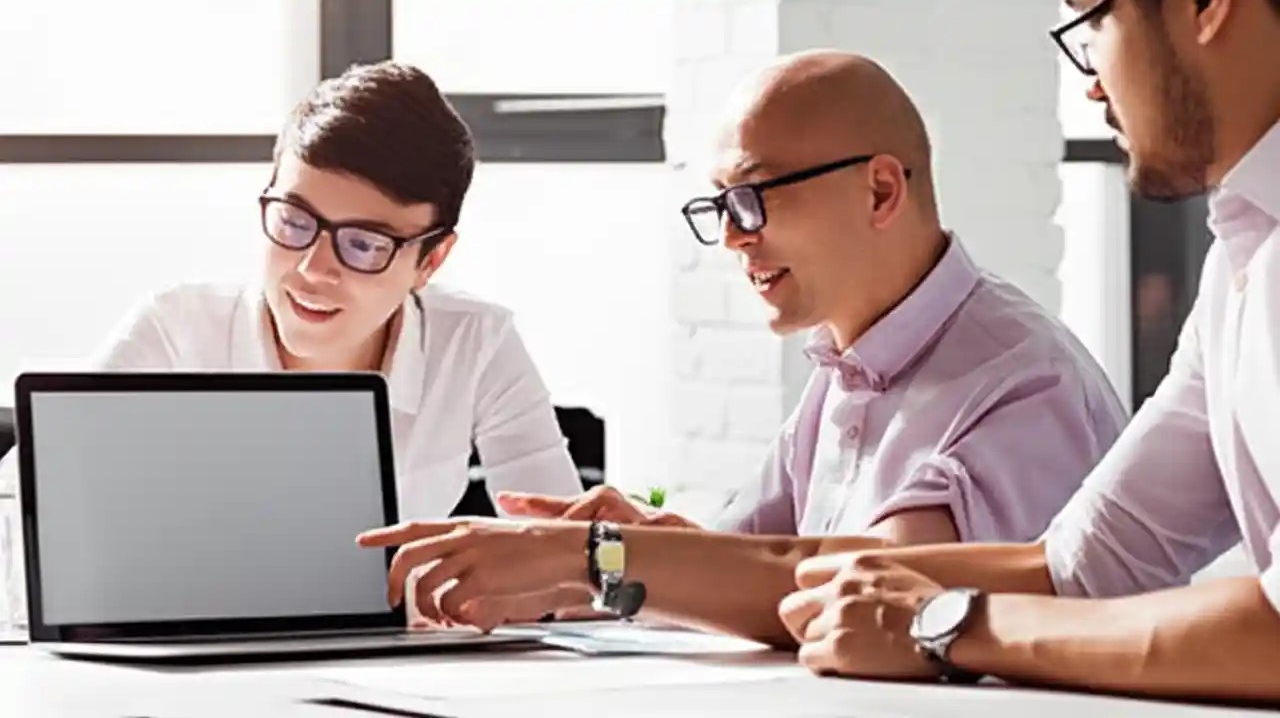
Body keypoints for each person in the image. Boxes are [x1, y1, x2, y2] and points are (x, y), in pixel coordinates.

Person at [355, 50, 1127, 645]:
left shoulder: (1021, 382)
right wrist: (629, 548)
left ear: (881, 191)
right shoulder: (847, 372)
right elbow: (741, 569)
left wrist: (588, 557)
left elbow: (867, 597)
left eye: (752, 198)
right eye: (719, 205)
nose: (730, 237)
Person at [774, 0, 1280, 703]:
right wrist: (860, 592)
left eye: (1096, 18)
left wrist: (951, 624)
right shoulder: (1239, 260)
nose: (1091, 81)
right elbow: (1087, 562)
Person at [27, 61, 583, 519]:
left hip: (396, 653)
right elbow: (22, 517)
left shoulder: (475, 341)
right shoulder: (177, 331)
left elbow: (565, 547)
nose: (314, 269)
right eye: (295, 221)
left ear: (430, 260)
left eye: (364, 245)